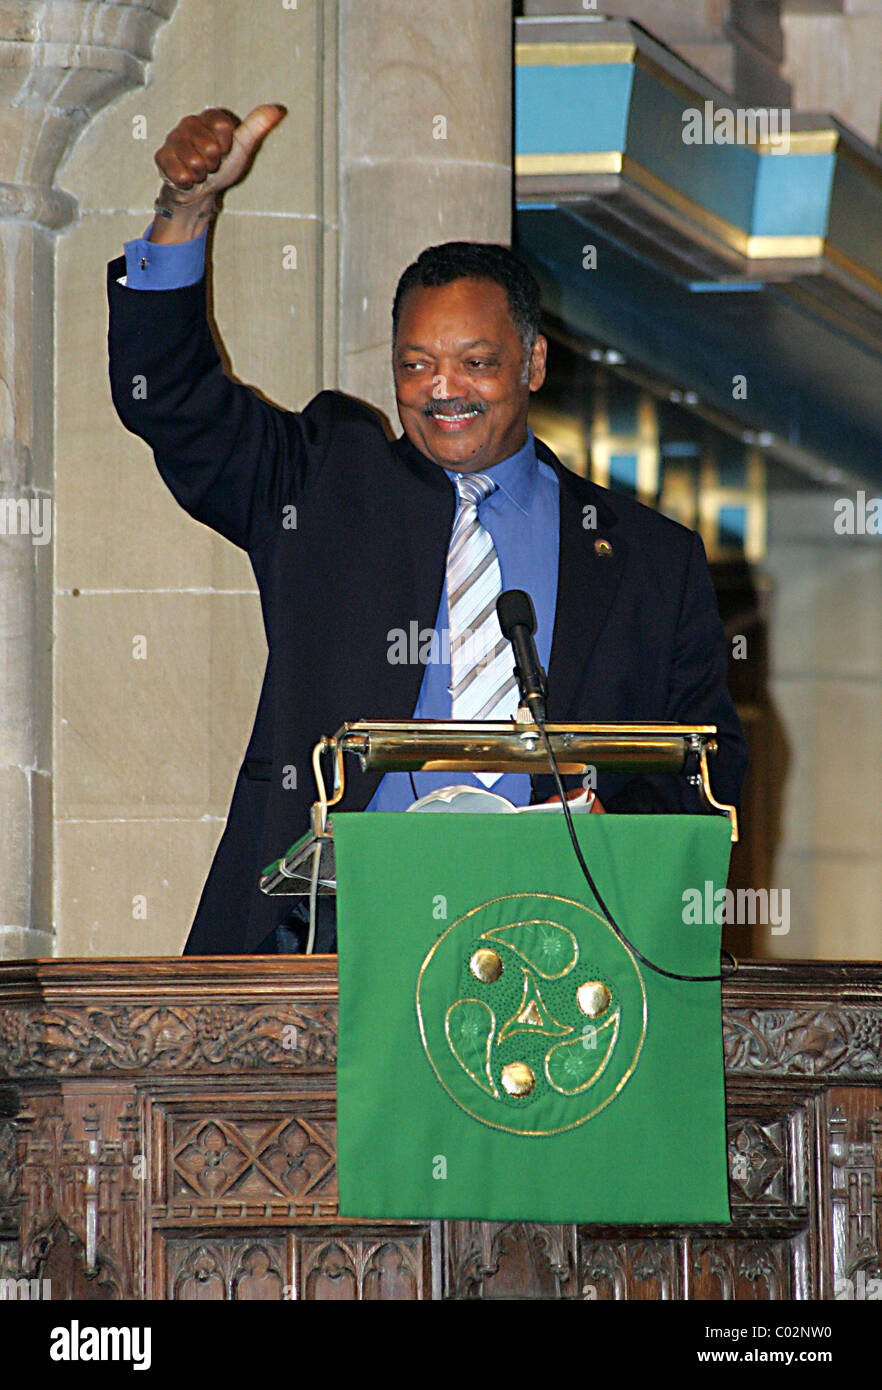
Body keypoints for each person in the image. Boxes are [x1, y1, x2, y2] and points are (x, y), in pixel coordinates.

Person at [107, 105, 748, 956]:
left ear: (532, 363)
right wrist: (185, 210)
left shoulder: (648, 559)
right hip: (329, 946)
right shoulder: (322, 483)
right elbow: (172, 399)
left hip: (568, 946)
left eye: (476, 363)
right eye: (415, 363)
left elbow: (708, 769)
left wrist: (611, 827)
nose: (442, 389)